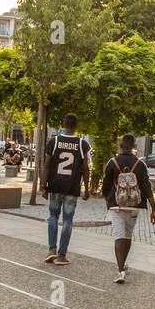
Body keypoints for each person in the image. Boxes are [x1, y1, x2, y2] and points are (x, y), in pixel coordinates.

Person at [101, 133, 155, 283]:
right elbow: (146, 187)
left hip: (117, 205)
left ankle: (120, 271)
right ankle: (123, 264)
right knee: (128, 235)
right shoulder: (140, 164)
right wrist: (154, 209)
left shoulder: (112, 162)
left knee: (119, 235)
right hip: (134, 205)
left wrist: (107, 199)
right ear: (133, 147)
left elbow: (105, 185)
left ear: (121, 145)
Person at [41, 113, 91, 266]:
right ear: (76, 126)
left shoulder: (54, 141)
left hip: (55, 185)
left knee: (53, 216)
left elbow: (47, 165)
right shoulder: (82, 144)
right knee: (68, 219)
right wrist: (87, 188)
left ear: (63, 125)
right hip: (72, 186)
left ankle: (51, 250)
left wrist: (44, 186)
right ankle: (62, 256)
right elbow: (86, 168)